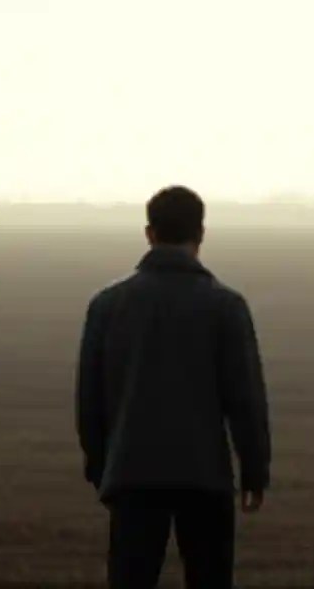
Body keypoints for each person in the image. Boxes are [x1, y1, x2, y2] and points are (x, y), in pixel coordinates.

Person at [76, 186, 271, 589]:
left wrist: (101, 466)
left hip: (132, 472)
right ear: (201, 234)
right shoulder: (225, 306)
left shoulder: (106, 305)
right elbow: (245, 397)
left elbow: (89, 399)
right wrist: (254, 469)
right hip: (204, 476)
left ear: (149, 233)